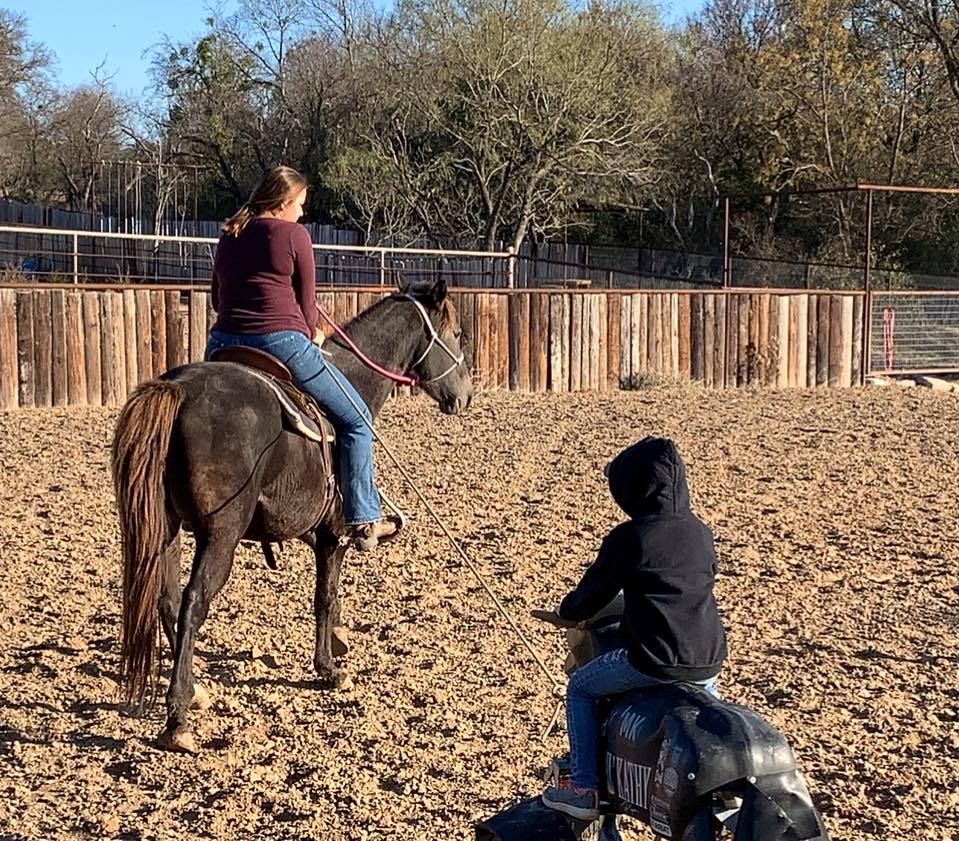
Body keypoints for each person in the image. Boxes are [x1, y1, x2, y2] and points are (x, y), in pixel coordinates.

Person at [205, 164, 402, 551]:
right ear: (282, 203)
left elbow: (216, 299)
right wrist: (314, 330)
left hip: (223, 345)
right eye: (300, 204)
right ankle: (363, 517)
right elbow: (308, 306)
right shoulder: (295, 235)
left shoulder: (230, 235)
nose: (302, 212)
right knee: (358, 417)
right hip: (280, 344)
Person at [541, 436, 727, 821]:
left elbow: (591, 596)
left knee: (580, 688)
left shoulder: (631, 537)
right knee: (711, 713)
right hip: (708, 661)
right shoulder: (701, 533)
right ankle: (722, 785)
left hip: (652, 661)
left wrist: (567, 611)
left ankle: (583, 789)